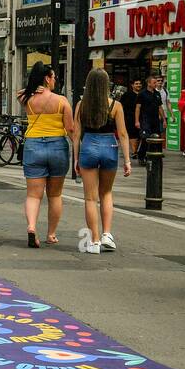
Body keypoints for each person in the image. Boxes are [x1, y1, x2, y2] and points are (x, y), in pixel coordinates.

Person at [74, 67, 131, 254]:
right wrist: (127, 160)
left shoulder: (81, 105)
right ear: (106, 85)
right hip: (110, 147)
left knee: (90, 198)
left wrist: (75, 159)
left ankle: (95, 241)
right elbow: (122, 134)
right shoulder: (115, 105)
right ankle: (107, 234)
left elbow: (76, 135)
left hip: (89, 146)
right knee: (106, 193)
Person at [20, 62, 76, 249]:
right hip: (57, 147)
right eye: (53, 77)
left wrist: (33, 87)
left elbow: (20, 92)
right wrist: (77, 153)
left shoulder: (26, 98)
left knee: (33, 195)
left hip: (33, 145)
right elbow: (70, 129)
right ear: (47, 78)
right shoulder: (61, 101)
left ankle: (31, 226)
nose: (55, 80)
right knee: (55, 195)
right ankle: (51, 234)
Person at [135, 74, 165, 160]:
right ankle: (141, 156)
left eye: (156, 82)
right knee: (146, 138)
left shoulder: (157, 94)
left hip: (155, 120)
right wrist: (137, 121)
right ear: (149, 83)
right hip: (145, 119)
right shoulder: (142, 94)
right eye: (154, 82)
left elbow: (160, 107)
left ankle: (156, 156)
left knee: (157, 137)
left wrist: (163, 120)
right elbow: (138, 107)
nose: (156, 84)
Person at [120, 78, 142, 158]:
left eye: (139, 83)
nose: (138, 85)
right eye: (136, 83)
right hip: (130, 117)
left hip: (141, 118)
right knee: (132, 135)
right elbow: (121, 106)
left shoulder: (143, 94)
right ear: (132, 85)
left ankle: (136, 150)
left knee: (140, 135)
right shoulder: (127, 95)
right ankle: (134, 151)